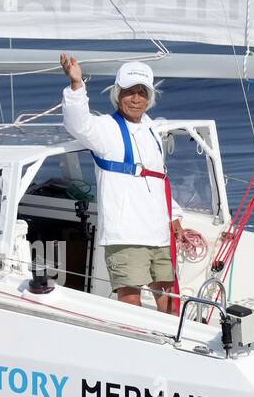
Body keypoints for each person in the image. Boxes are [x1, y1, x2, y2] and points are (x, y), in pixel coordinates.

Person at [59, 54, 184, 313]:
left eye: (142, 92)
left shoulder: (152, 130)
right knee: (131, 303)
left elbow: (157, 178)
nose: (136, 99)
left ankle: (171, 338)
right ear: (117, 94)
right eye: (129, 92)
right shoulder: (105, 129)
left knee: (171, 302)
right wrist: (76, 84)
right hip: (125, 234)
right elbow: (77, 123)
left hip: (159, 234)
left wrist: (174, 215)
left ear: (149, 98)